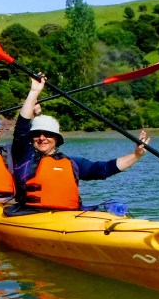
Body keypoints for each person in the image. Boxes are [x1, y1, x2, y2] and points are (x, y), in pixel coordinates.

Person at [9, 76, 150, 212]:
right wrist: (34, 92)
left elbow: (105, 169)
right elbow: (21, 127)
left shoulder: (72, 163)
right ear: (31, 138)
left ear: (57, 139)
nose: (42, 138)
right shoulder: (24, 156)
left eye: (48, 134)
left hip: (69, 217)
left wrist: (136, 155)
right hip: (30, 214)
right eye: (36, 134)